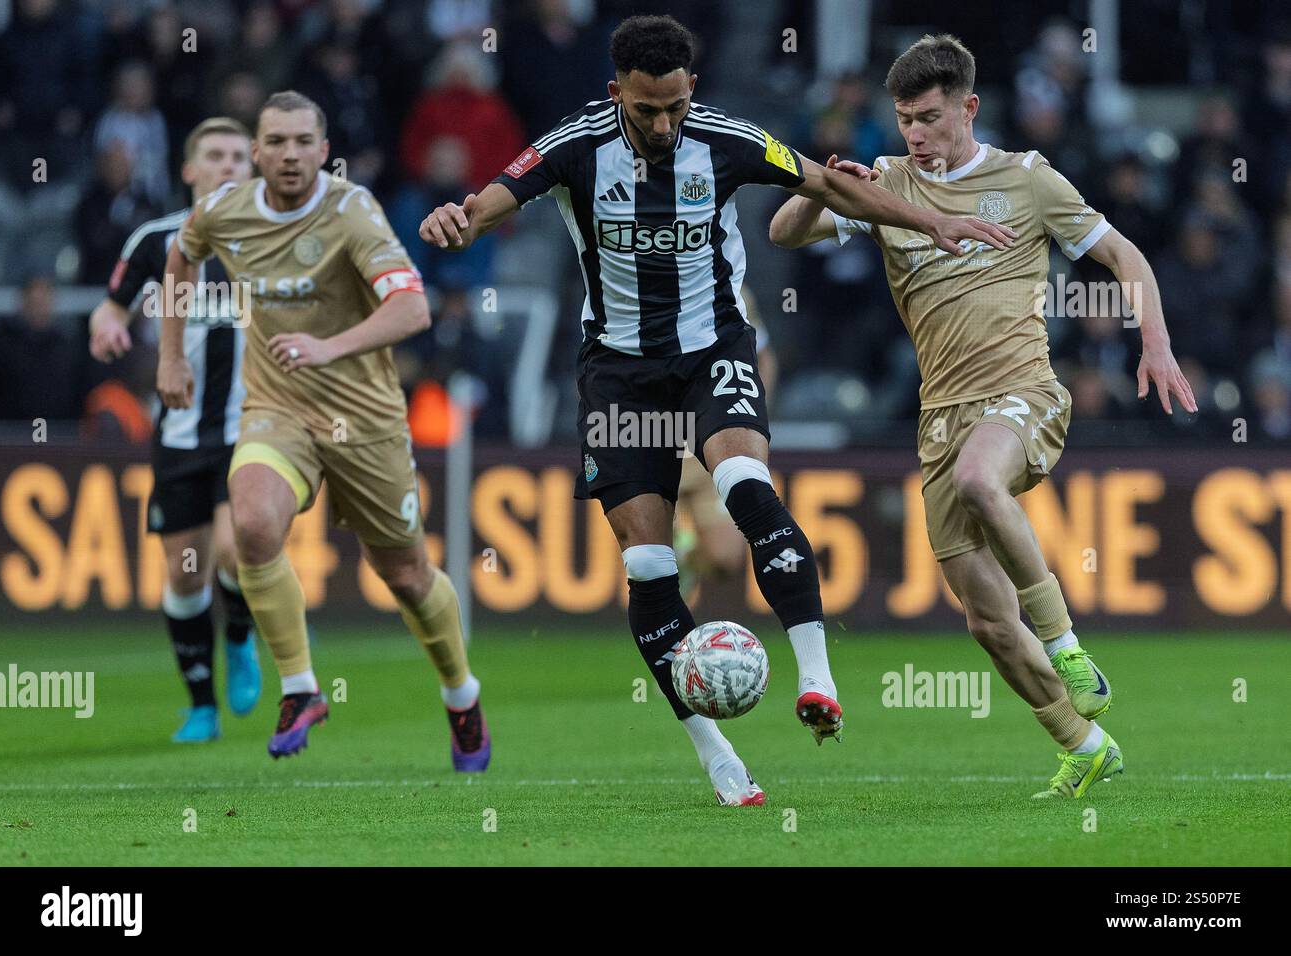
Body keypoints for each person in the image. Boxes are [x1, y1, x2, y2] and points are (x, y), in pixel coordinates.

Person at [419, 15, 1012, 805]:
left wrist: (936, 221)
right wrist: (457, 222)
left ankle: (818, 678)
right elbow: (496, 197)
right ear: (615, 95)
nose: (662, 125)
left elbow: (829, 184)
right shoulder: (575, 144)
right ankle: (716, 753)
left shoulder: (728, 137)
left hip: (712, 349)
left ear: (691, 89)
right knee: (648, 563)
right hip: (619, 375)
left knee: (743, 481)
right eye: (644, 111)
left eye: (672, 107)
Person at [770, 34, 1197, 799]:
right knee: (989, 623)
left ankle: (1068, 645)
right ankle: (1083, 742)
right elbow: (783, 234)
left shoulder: (1027, 180)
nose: (915, 135)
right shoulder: (890, 182)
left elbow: (1125, 255)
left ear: (968, 108)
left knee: (979, 479)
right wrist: (823, 187)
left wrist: (1156, 345)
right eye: (904, 119)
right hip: (940, 417)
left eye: (929, 118)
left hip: (1024, 393)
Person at [156, 91, 490, 769]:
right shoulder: (225, 209)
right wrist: (168, 355)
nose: (289, 154)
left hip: (364, 420)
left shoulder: (352, 213)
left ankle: (461, 693)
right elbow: (181, 256)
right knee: (250, 523)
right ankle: (301, 688)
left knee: (405, 572)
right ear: (255, 152)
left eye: (302, 142)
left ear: (323, 148)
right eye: (275, 141)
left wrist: (330, 347)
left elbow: (412, 308)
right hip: (277, 411)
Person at [89, 117, 262, 743]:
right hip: (180, 434)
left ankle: (240, 635)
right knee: (185, 572)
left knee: (238, 547)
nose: (227, 166)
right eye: (214, 155)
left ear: (254, 168)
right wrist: (106, 326)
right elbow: (109, 307)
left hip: (253, 429)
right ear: (189, 169)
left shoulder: (274, 241)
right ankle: (201, 705)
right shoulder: (154, 241)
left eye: (239, 156)